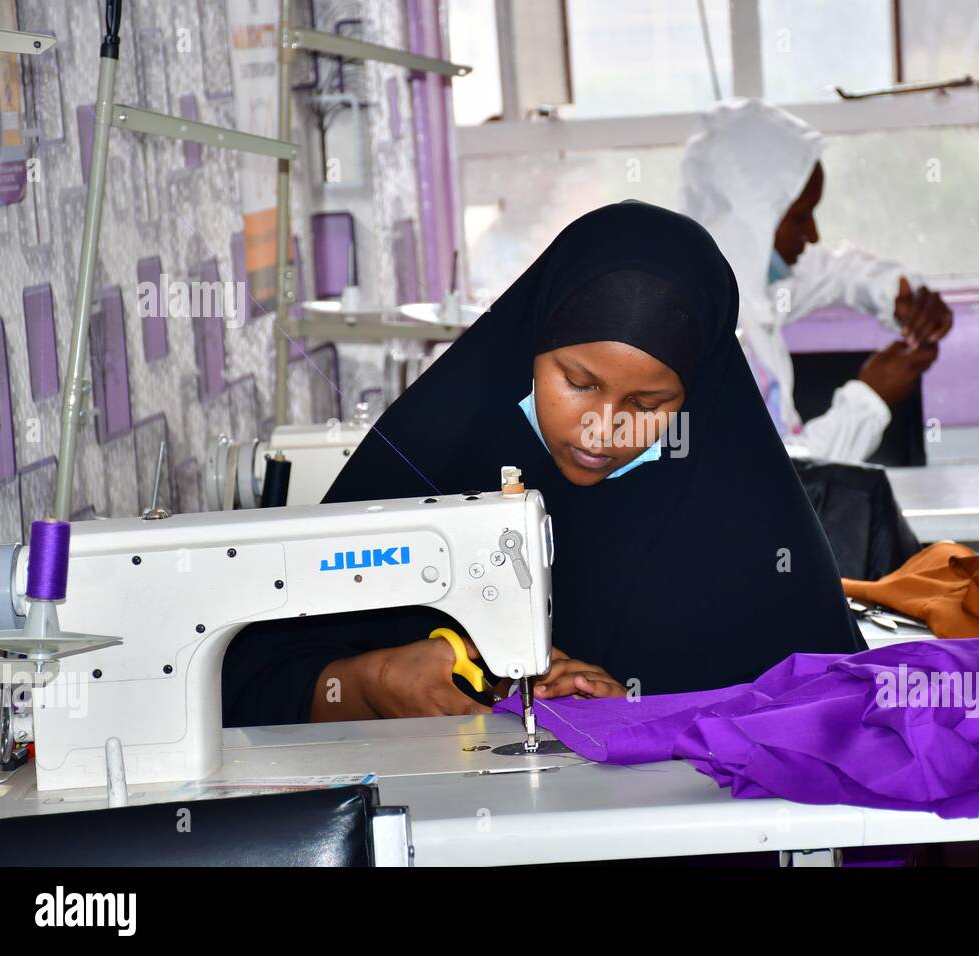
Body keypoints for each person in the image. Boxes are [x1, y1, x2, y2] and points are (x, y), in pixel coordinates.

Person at [222, 200, 866, 728]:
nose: (602, 426)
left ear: (695, 398)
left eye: (647, 403)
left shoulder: (747, 521)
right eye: (579, 382)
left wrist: (646, 720)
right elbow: (247, 686)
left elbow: (826, 724)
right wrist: (370, 683)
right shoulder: (430, 457)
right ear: (532, 347)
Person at [680, 98, 953, 464]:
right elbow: (771, 480)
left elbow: (836, 271)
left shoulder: (748, 288)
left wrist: (900, 294)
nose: (812, 234)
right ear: (754, 220)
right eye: (801, 217)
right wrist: (870, 401)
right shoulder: (704, 336)